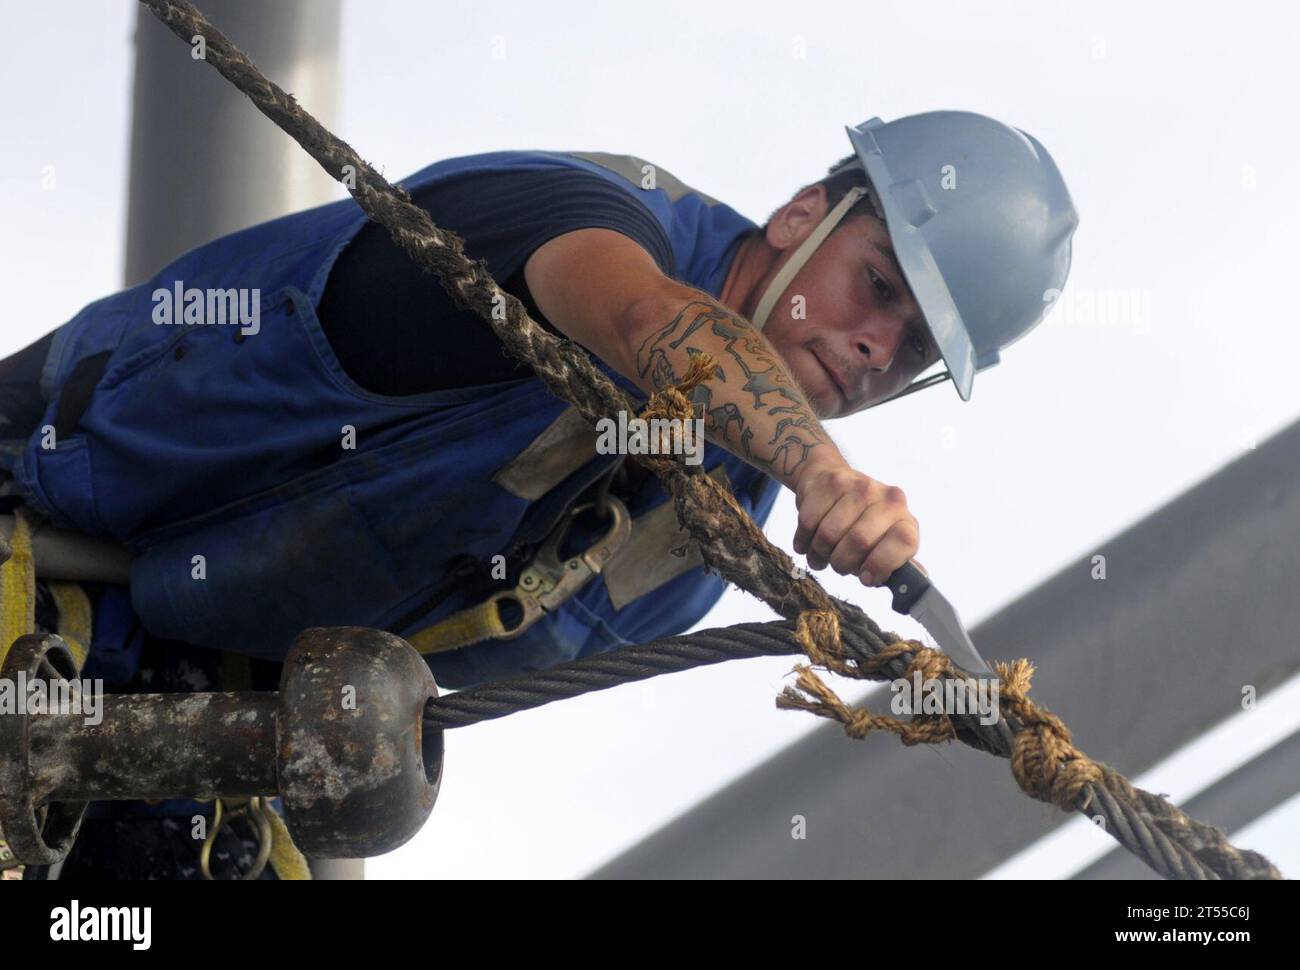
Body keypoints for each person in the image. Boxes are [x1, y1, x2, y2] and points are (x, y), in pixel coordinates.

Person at [0, 110, 1077, 878]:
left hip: (166, 708)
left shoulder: (703, 539)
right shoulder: (576, 219)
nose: (870, 346)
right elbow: (652, 326)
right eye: (878, 286)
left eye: (913, 350)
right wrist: (820, 469)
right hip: (35, 525)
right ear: (802, 215)